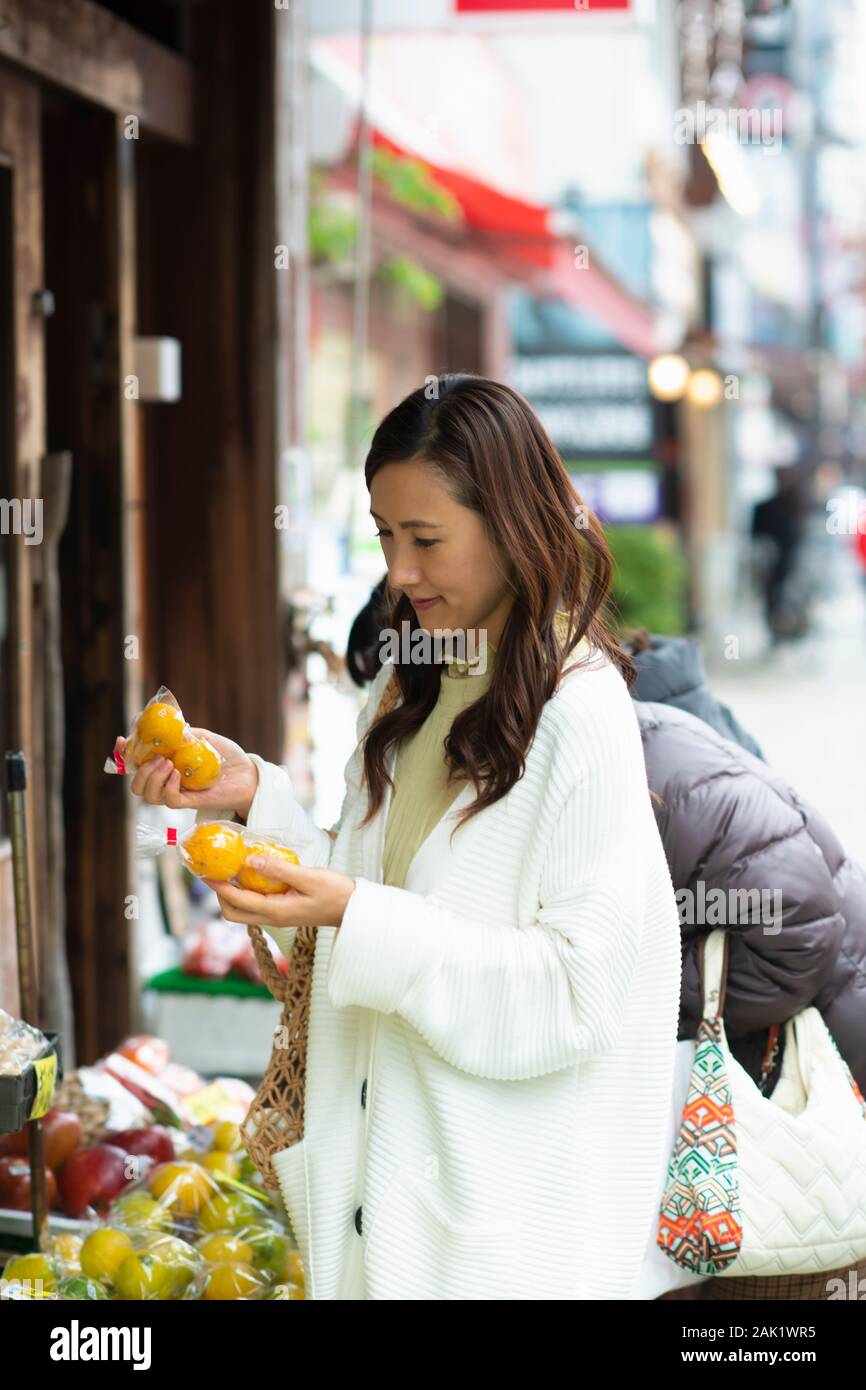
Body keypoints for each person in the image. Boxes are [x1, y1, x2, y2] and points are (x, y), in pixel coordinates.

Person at [116, 373, 683, 1300]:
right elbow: (355, 904)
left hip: (507, 1245)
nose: (400, 571)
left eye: (426, 539)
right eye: (386, 535)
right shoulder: (405, 690)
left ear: (514, 525)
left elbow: (580, 996)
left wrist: (357, 913)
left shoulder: (582, 715)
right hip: (380, 1225)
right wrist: (253, 796)